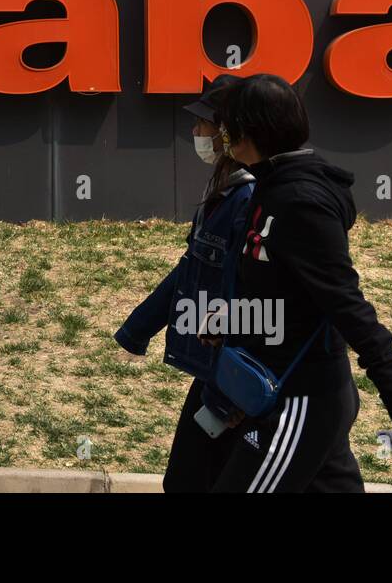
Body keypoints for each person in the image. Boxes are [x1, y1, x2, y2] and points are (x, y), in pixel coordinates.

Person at [205, 73, 392, 493]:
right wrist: (231, 319)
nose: (221, 136)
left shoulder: (300, 202)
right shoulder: (269, 185)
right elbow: (281, 291)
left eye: (228, 126)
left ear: (251, 131)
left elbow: (347, 305)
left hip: (301, 399)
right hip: (283, 385)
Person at [113, 75, 256, 492]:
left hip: (236, 376)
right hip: (221, 371)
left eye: (204, 124)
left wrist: (230, 400)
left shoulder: (248, 199)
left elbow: (249, 296)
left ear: (230, 133)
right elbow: (191, 269)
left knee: (192, 483)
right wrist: (138, 328)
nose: (194, 132)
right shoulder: (226, 191)